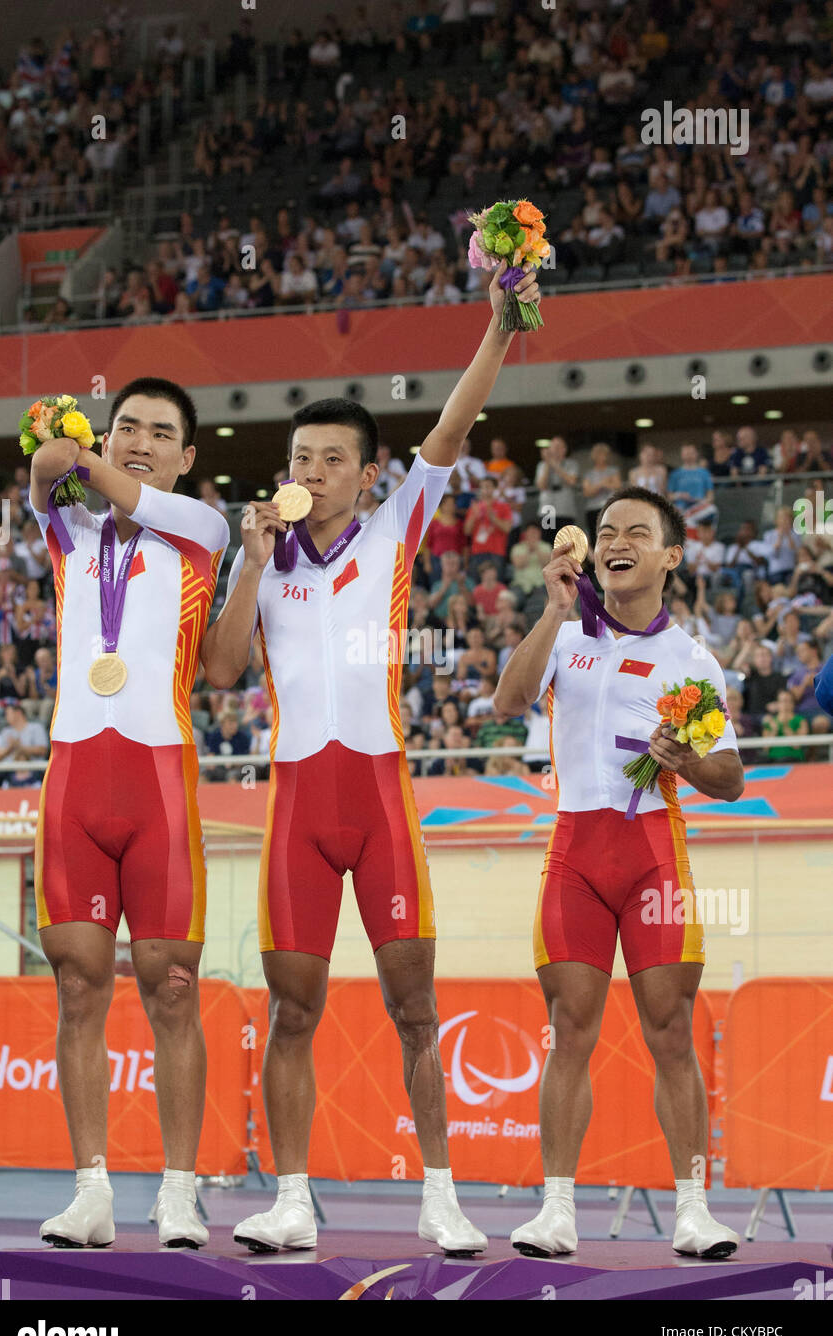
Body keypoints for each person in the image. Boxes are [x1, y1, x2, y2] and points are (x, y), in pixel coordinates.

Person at [200, 260, 542, 1257]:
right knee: (291, 1011)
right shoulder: (257, 556)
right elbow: (222, 673)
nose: (307, 472)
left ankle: (440, 1194)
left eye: (328, 460)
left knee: (413, 1007)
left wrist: (497, 328)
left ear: (364, 471)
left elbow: (454, 428)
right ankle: (291, 1197)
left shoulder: (393, 529)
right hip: (297, 807)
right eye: (297, 456)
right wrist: (250, 563)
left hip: (382, 801)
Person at [494, 485, 744, 1260]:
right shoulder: (568, 640)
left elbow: (731, 777)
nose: (616, 542)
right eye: (606, 532)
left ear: (671, 555)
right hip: (574, 856)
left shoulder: (687, 660)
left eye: (637, 532)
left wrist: (690, 760)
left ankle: (694, 1211)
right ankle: (557, 1210)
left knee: (671, 1031)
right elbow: (507, 701)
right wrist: (552, 611)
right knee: (570, 1027)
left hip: (650, 858)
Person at [28, 377, 230, 1252]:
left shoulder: (202, 530)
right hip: (73, 780)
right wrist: (50, 454)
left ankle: (179, 1193)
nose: (140, 440)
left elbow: (113, 487)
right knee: (77, 988)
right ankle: (92, 1192)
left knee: (172, 991)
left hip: (159, 788)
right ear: (106, 436)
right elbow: (43, 483)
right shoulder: (69, 530)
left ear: (187, 458)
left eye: (160, 432)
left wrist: (81, 453)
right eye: (126, 427)